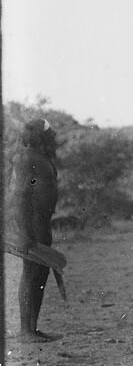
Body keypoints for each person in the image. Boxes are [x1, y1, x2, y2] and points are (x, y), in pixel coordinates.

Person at [10, 119, 60, 340]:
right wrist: (25, 233)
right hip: (33, 222)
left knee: (39, 273)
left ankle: (31, 328)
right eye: (50, 134)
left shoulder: (37, 158)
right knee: (32, 274)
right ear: (42, 136)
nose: (54, 137)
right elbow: (21, 197)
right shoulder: (28, 159)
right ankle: (27, 331)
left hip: (40, 222)